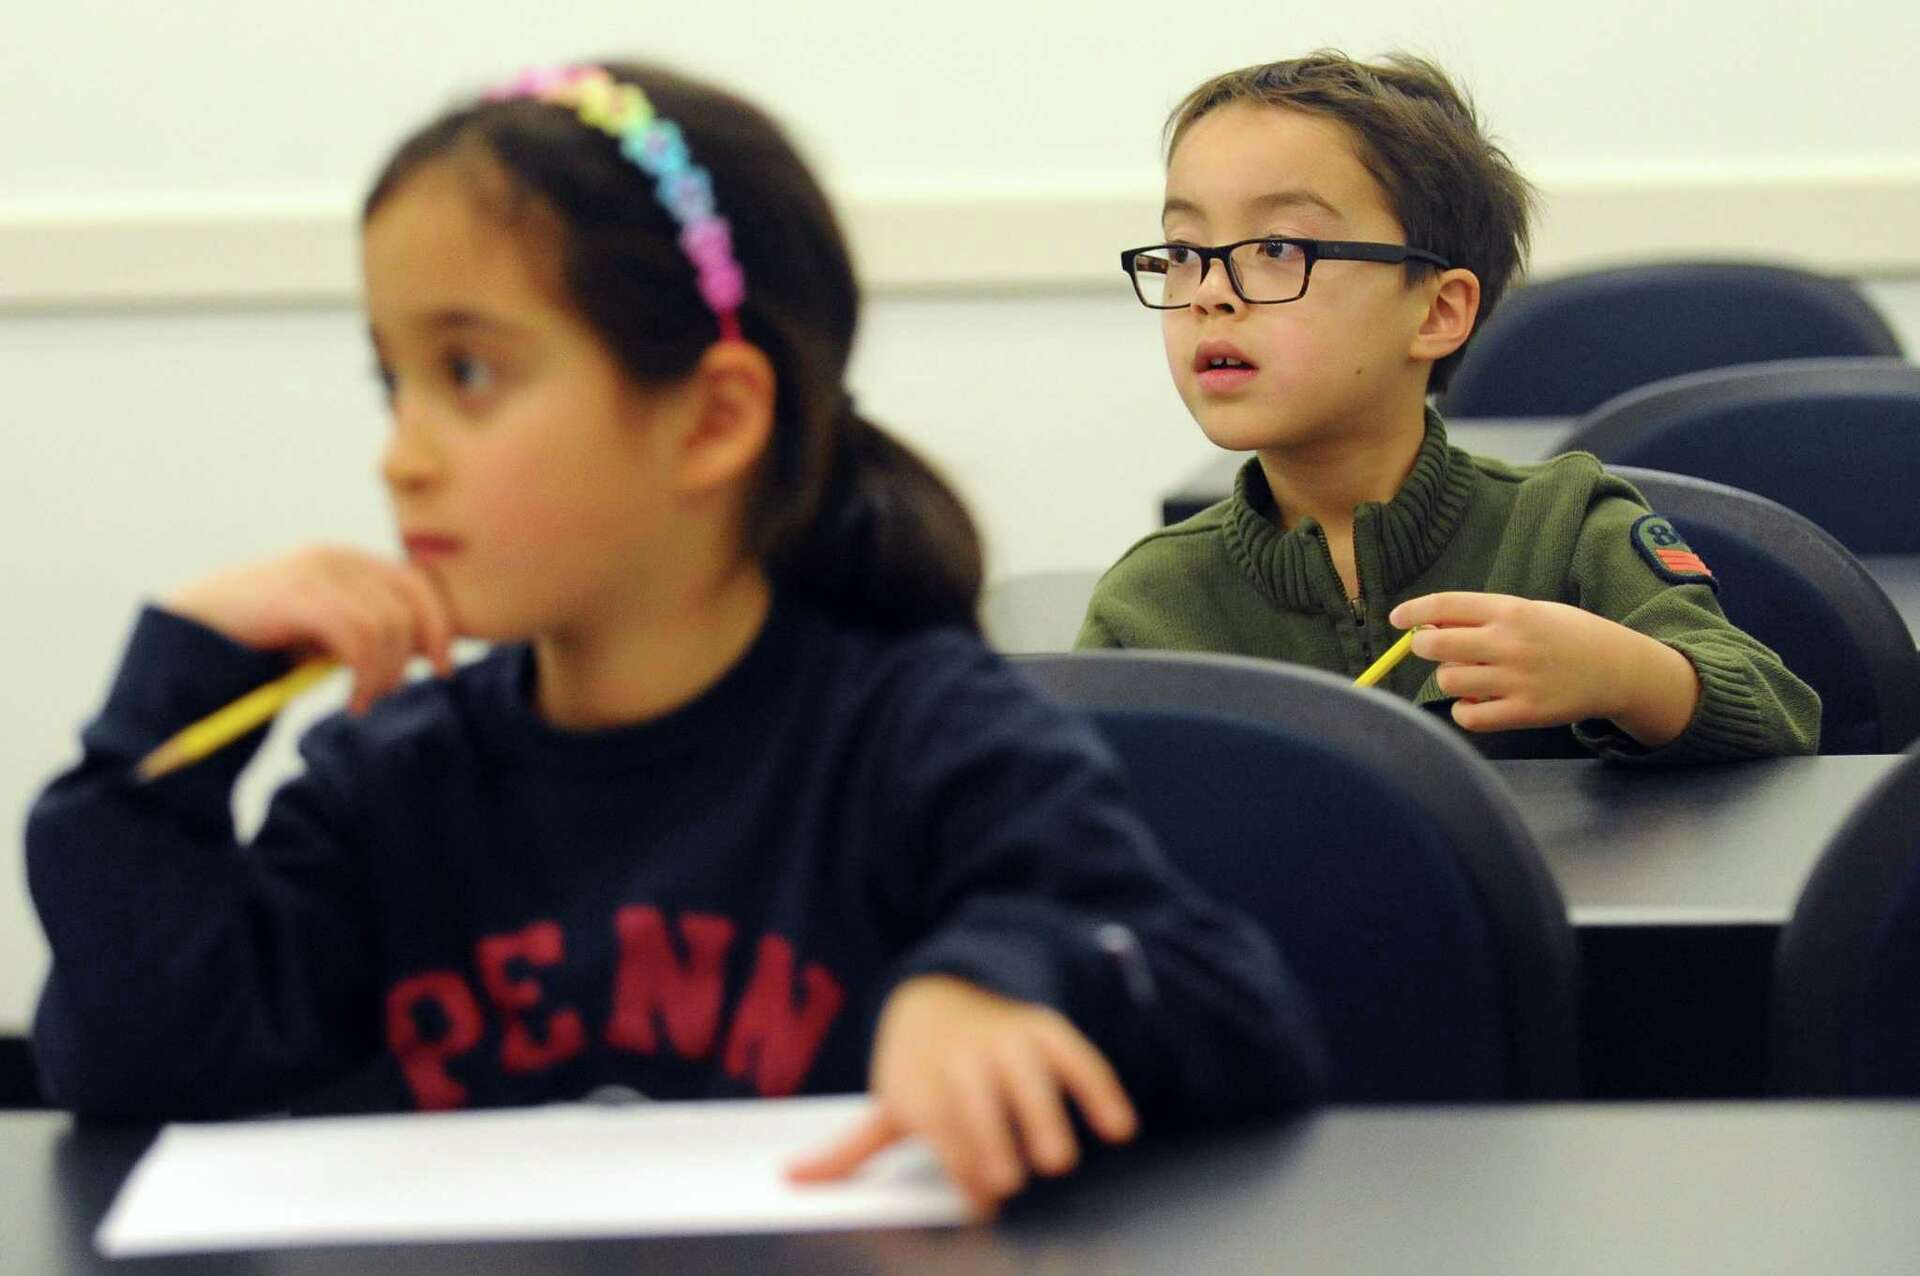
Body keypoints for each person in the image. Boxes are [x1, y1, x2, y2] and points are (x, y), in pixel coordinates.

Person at [26, 61, 1327, 1214]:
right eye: (393, 381)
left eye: (468, 375)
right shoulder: (390, 782)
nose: (401, 454)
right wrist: (169, 712)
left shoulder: (922, 734)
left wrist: (1003, 978)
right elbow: (146, 1070)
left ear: (709, 420)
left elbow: (1228, 1002)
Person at [1079, 52, 1820, 763]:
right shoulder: (1148, 603)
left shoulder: (1563, 527)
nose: (1208, 291)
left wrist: (1624, 676)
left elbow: (1781, 713)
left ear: (1437, 313)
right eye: (1181, 252)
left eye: (1276, 246)